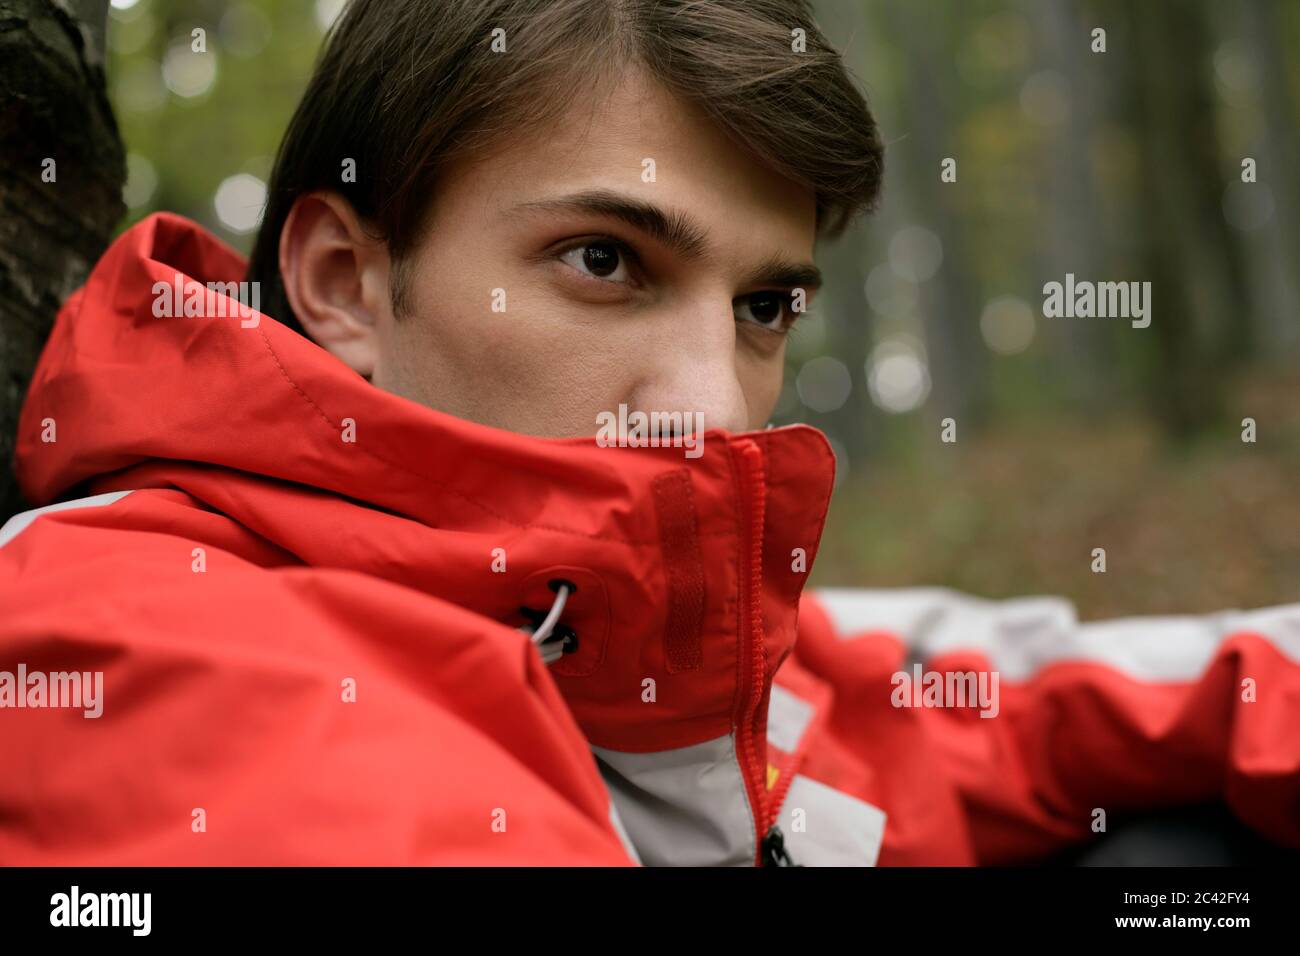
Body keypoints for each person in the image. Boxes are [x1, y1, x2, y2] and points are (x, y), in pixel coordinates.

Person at [0, 0, 1296, 866]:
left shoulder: (662, 641)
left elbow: (1003, 689)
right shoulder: (144, 649)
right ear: (346, 282)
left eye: (763, 306)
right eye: (604, 262)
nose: (716, 408)